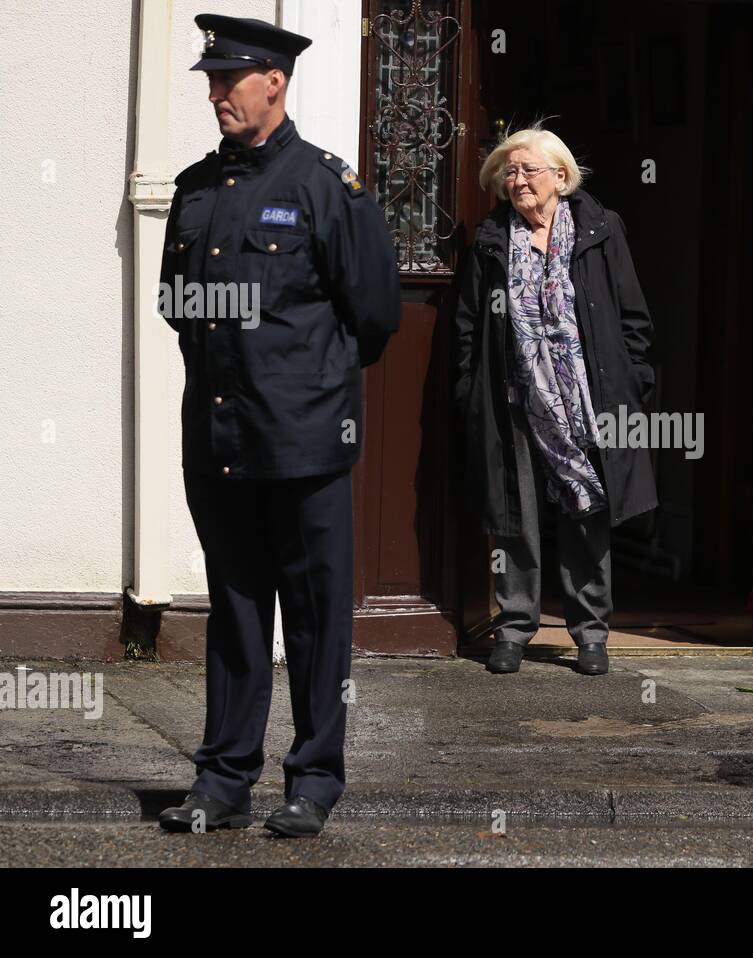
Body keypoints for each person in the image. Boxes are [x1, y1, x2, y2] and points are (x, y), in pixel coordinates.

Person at [156, 14, 400, 837]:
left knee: (316, 617)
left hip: (304, 439)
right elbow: (175, 305)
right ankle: (222, 781)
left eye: (231, 79)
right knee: (234, 610)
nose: (217, 94)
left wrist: (303, 386)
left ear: (275, 81)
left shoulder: (328, 188)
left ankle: (314, 780)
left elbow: (374, 316)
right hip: (219, 439)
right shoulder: (194, 190)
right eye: (211, 81)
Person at [453, 124, 657, 676]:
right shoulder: (492, 237)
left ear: (560, 177)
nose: (516, 181)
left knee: (585, 506)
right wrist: (471, 389)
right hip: (514, 397)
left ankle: (590, 633)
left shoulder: (601, 229)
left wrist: (632, 380)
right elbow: (468, 326)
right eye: (509, 173)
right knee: (515, 513)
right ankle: (515, 628)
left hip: (586, 399)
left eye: (528, 170)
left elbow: (632, 316)